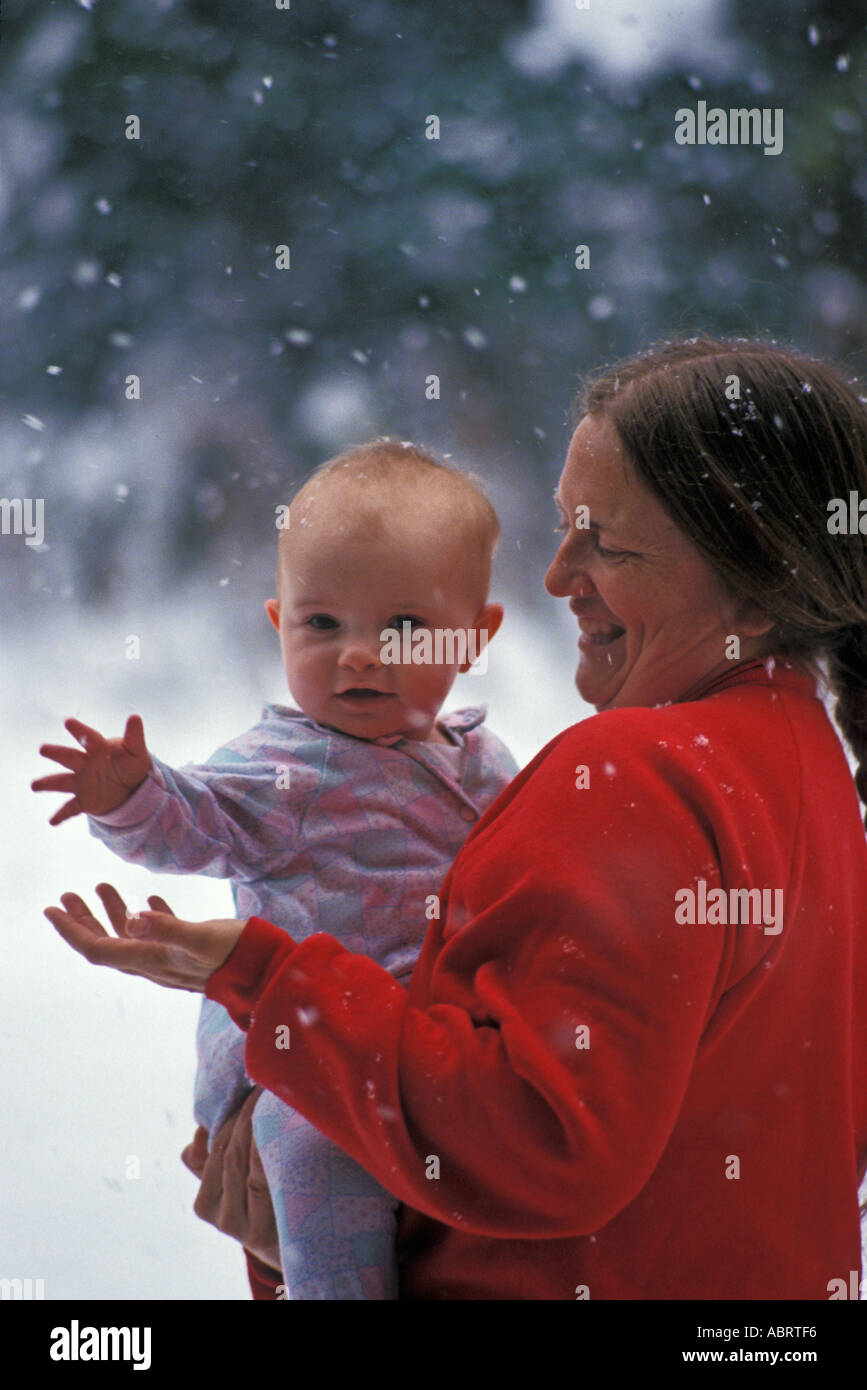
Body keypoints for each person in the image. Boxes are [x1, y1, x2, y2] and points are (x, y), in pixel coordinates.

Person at [45, 337, 867, 1300]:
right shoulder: (807, 764)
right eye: (564, 528)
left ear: (753, 580)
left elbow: (543, 1139)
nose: (557, 575)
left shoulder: (635, 772)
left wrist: (268, 980)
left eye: (605, 540)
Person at [33, 438, 519, 1300]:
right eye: (322, 623)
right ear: (278, 624)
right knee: (314, 1149)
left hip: (417, 1044)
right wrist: (130, 795)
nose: (359, 654)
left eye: (402, 628)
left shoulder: (488, 764)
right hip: (293, 1056)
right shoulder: (282, 769)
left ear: (475, 637)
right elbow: (192, 821)